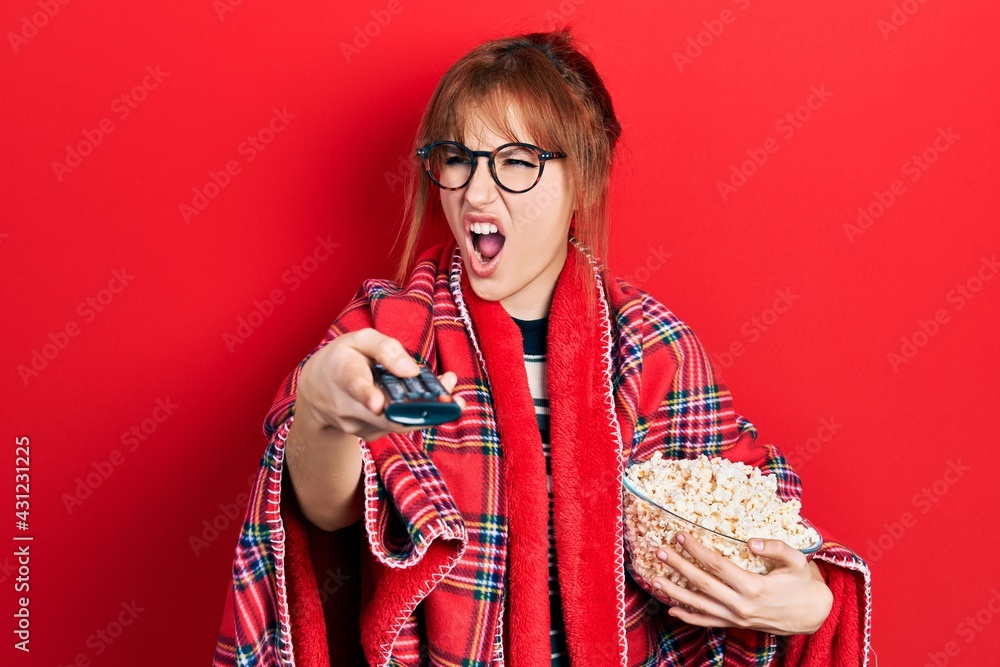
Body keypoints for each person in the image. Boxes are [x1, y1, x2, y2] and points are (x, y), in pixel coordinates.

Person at [213, 29, 872, 666]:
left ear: (583, 179)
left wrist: (813, 601)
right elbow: (326, 514)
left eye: (517, 162)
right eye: (458, 157)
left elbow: (755, 509)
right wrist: (321, 411)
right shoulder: (392, 329)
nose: (474, 191)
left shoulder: (653, 346)